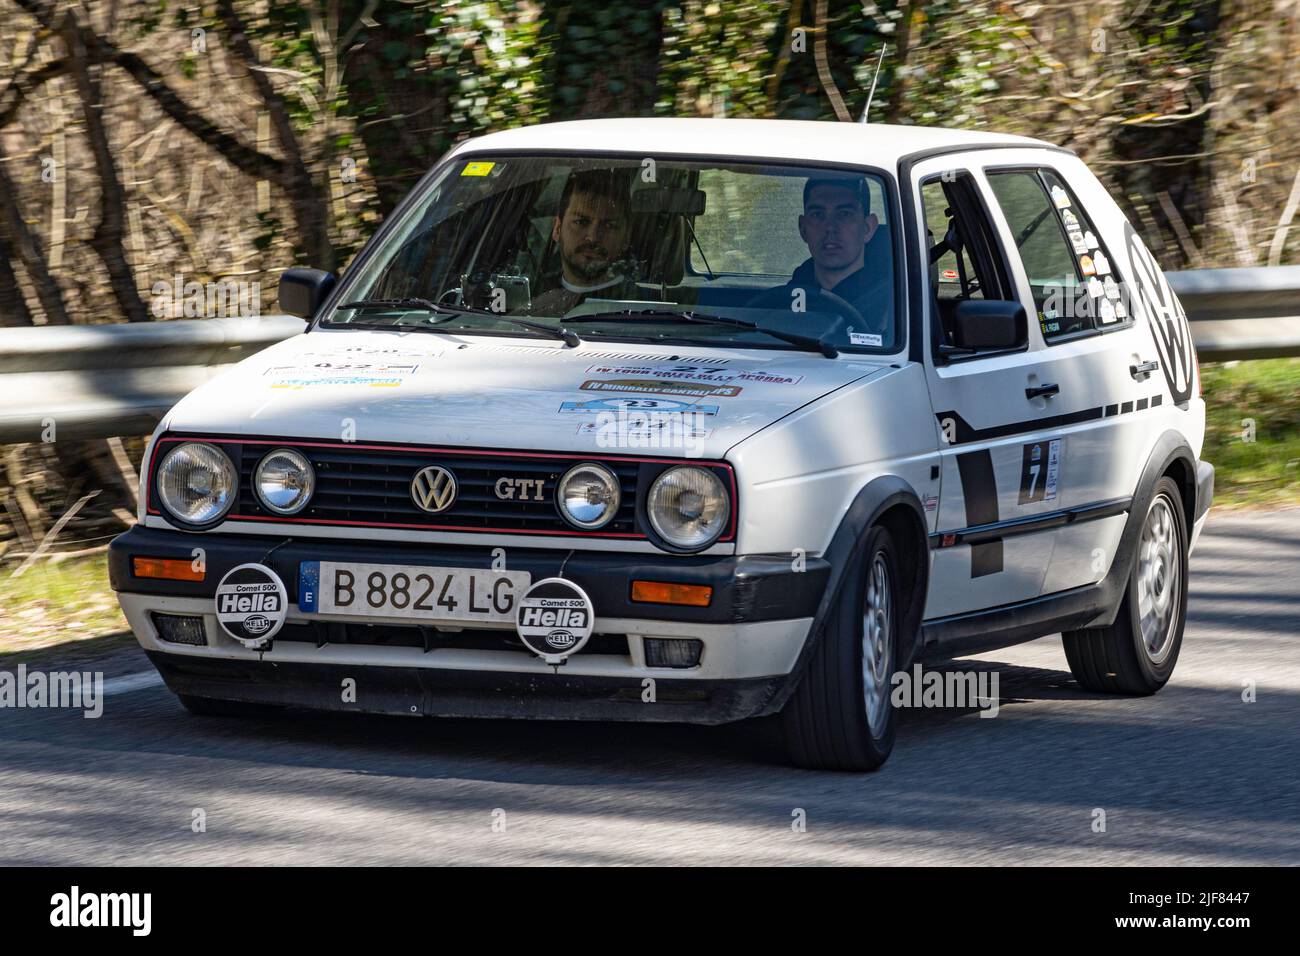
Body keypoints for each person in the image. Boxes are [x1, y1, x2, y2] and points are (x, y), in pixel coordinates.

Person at [767, 176, 893, 337]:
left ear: (867, 228)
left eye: (844, 214)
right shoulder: (786, 299)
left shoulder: (895, 303)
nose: (830, 227)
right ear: (803, 228)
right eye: (818, 214)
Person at [530, 169, 642, 316]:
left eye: (609, 225)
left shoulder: (644, 308)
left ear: (626, 237)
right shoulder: (531, 300)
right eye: (581, 222)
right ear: (557, 229)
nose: (593, 237)